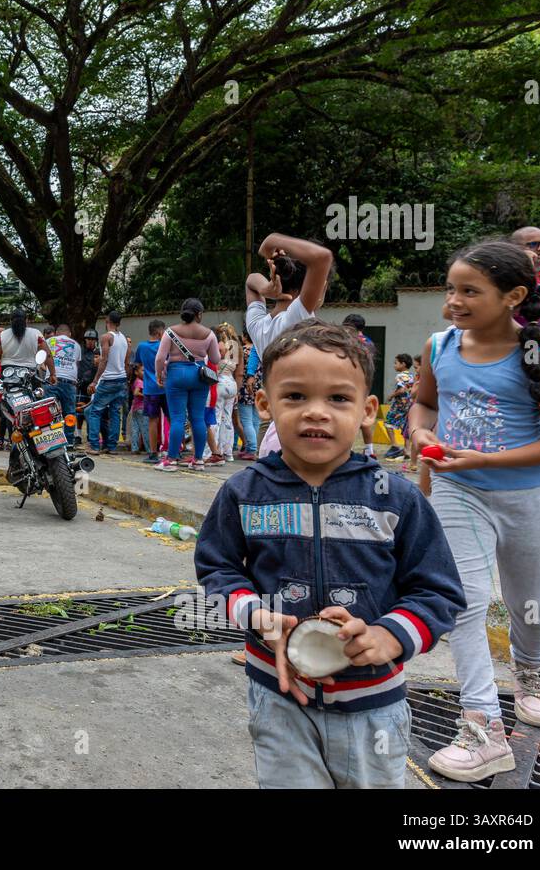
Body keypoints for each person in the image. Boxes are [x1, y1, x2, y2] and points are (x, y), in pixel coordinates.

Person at [194, 320, 463, 788]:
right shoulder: (244, 492)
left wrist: (390, 637)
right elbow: (217, 570)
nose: (316, 412)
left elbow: (438, 591)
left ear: (367, 409)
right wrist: (257, 615)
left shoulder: (395, 498)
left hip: (373, 704)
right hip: (279, 697)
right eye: (295, 397)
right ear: (264, 404)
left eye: (338, 398)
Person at [409, 241, 540, 783]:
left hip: (526, 497)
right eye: (450, 290)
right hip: (459, 490)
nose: (452, 302)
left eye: (468, 292)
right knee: (463, 600)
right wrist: (420, 431)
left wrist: (489, 457)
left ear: (513, 296)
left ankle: (531, 674)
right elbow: (425, 401)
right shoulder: (439, 346)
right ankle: (480, 723)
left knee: (530, 602)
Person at [244, 232, 335, 458]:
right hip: (299, 434)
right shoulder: (298, 316)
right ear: (318, 287)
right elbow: (322, 257)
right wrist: (273, 239)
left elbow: (250, 280)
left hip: (273, 431)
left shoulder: (258, 325)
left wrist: (265, 288)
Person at [156, 299, 220, 472]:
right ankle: (198, 460)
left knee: (177, 418)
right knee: (198, 418)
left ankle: (171, 460)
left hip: (176, 375)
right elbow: (215, 359)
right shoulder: (209, 334)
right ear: (199, 314)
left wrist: (159, 374)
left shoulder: (170, 332)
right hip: (199, 376)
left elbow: (160, 358)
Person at [85, 312, 129, 455]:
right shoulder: (123, 338)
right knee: (115, 412)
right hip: (121, 379)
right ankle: (111, 446)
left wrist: (95, 380)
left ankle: (94, 446)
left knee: (94, 411)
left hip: (108, 379)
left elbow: (104, 359)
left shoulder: (106, 337)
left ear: (107, 321)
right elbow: (126, 362)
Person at [342, 314, 380, 459]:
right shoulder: (369, 342)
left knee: (347, 414)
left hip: (348, 381)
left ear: (349, 327)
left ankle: (346, 448)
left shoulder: (349, 342)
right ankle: (369, 450)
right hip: (365, 382)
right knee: (363, 415)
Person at [133, 321, 166, 462]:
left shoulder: (141, 346)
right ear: (159, 333)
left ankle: (153, 453)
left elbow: (138, 363)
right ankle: (175, 450)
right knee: (172, 419)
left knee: (153, 420)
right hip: (165, 387)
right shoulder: (164, 345)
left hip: (149, 389)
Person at [46, 323, 81, 444]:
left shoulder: (49, 340)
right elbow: (76, 364)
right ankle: (69, 442)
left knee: (49, 412)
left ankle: (50, 441)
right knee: (69, 413)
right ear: (69, 334)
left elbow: (43, 359)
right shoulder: (76, 345)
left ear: (56, 333)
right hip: (69, 381)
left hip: (52, 380)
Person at [213, 323, 241, 462]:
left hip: (219, 383)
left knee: (216, 418)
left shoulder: (219, 345)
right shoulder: (235, 347)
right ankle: (228, 452)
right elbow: (238, 372)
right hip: (232, 384)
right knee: (228, 418)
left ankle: (216, 451)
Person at [382, 354, 415, 460]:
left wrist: (391, 396)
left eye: (396, 363)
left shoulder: (400, 376)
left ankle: (395, 446)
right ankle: (407, 449)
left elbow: (401, 390)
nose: (394, 365)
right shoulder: (411, 376)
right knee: (405, 426)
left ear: (403, 364)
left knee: (388, 423)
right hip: (408, 404)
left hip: (399, 405)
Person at [235, 331, 261, 460]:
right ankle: (254, 447)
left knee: (246, 420)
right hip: (259, 387)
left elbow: (237, 370)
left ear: (245, 337)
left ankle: (251, 449)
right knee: (256, 419)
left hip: (245, 387)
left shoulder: (243, 351)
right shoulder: (261, 349)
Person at [127, 362, 150, 454]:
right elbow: (136, 393)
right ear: (136, 372)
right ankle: (149, 449)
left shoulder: (134, 381)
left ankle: (135, 448)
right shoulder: (140, 382)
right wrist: (145, 395)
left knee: (135, 429)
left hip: (135, 408)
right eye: (143, 371)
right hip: (142, 408)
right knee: (145, 429)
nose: (145, 372)